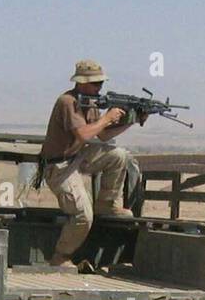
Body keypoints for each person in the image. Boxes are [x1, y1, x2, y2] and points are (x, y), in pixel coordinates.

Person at [38, 59, 139, 266]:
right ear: (81, 83)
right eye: (95, 83)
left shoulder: (90, 102)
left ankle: (107, 204)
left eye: (100, 83)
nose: (99, 87)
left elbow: (102, 135)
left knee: (118, 154)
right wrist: (108, 117)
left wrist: (132, 120)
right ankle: (61, 256)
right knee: (83, 215)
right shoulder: (68, 101)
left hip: (78, 157)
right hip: (60, 166)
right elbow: (83, 134)